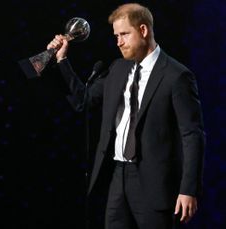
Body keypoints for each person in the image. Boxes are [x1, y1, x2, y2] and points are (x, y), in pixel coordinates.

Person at [47, 3, 205, 229]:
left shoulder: (177, 76)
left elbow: (192, 135)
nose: (118, 41)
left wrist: (188, 189)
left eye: (123, 34)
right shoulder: (118, 68)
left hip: (155, 183)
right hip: (118, 177)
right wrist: (62, 60)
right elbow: (84, 100)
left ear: (143, 30)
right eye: (116, 36)